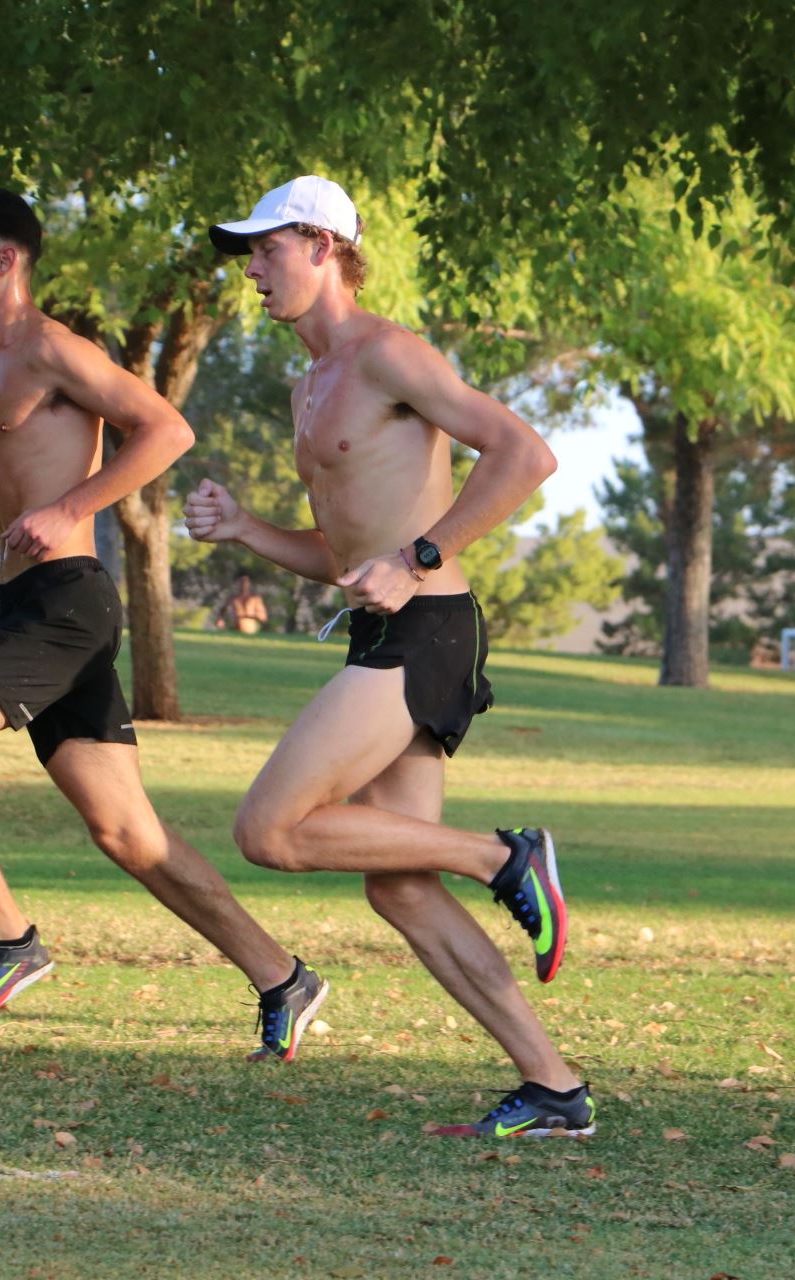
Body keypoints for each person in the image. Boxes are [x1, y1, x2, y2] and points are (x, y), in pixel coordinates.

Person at [0, 187, 325, 1057]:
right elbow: (5, 512)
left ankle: (7, 940)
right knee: (126, 832)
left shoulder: (50, 350)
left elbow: (167, 430)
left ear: (6, 261)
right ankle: (282, 977)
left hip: (67, 603)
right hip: (34, 601)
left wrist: (76, 501)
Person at [185, 175, 591, 1138]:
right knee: (399, 887)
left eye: (266, 247)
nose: (251, 268)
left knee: (270, 831)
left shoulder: (387, 353)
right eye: (246, 252)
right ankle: (553, 1088)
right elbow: (343, 559)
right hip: (387, 626)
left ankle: (506, 856)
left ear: (323, 247)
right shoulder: (309, 383)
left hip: (428, 631)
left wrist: (420, 558)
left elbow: (525, 455)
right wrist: (245, 529)